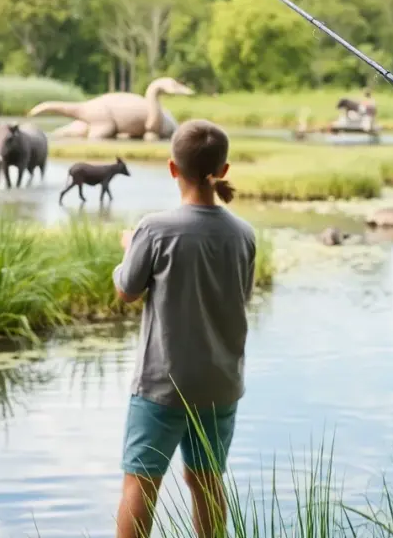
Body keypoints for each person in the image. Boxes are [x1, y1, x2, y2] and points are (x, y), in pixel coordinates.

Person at [112, 119, 258, 538]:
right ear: (223, 170)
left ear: (173, 168)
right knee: (207, 481)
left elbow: (127, 290)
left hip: (163, 385)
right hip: (220, 384)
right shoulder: (243, 234)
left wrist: (130, 249)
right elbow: (242, 296)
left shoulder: (154, 229)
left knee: (141, 483)